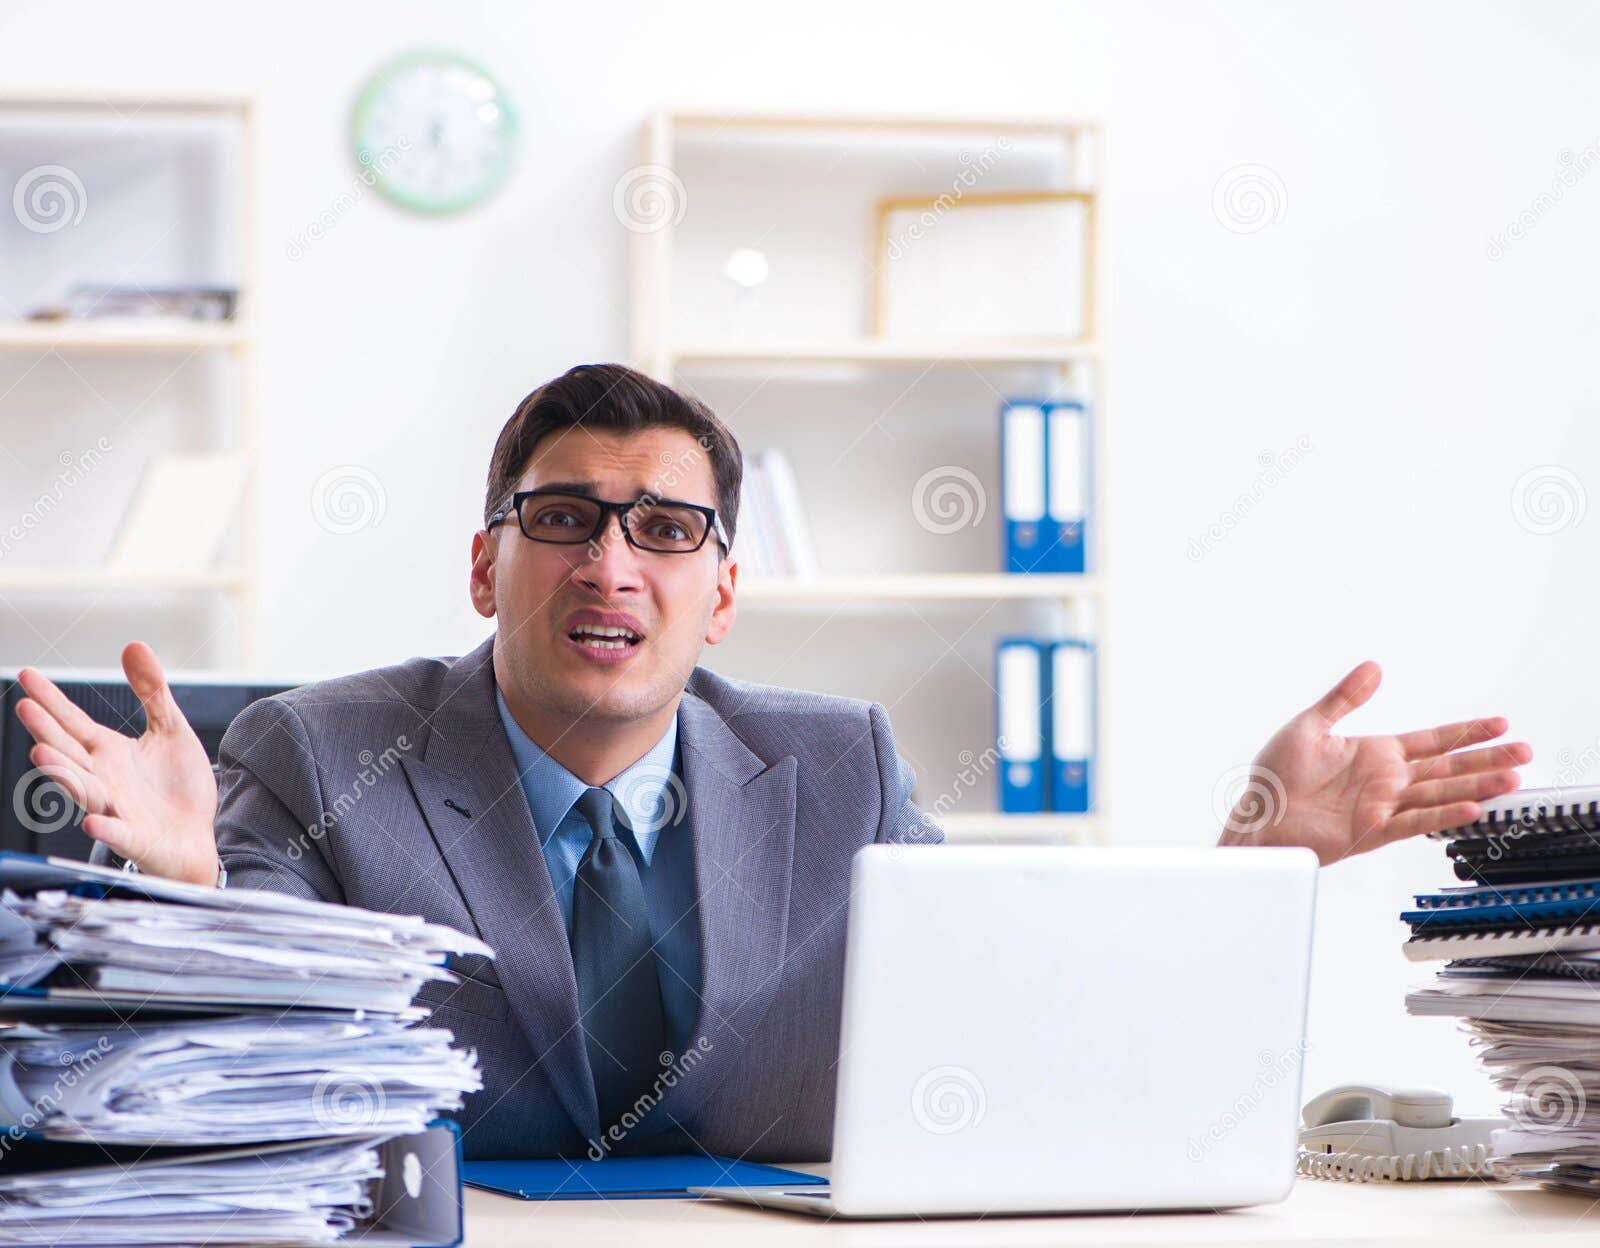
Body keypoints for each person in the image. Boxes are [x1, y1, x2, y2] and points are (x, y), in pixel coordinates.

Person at [11, 363, 1531, 1160]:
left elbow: (1013, 1012)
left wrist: (1258, 858)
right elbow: (256, 1039)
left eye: (665, 530)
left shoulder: (837, 765)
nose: (613, 562)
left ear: (721, 594)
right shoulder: (323, 748)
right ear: (487, 568)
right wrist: (195, 881)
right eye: (563, 518)